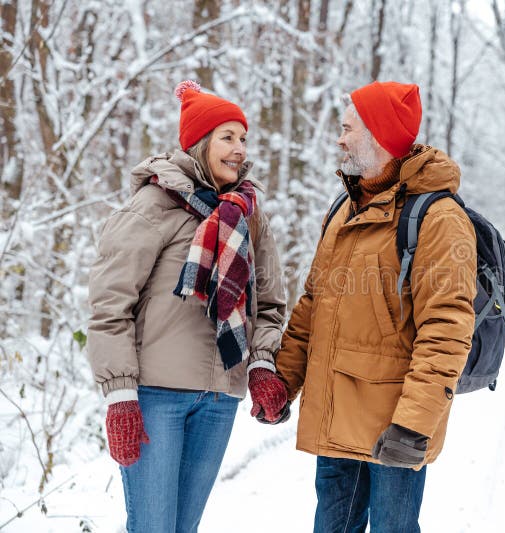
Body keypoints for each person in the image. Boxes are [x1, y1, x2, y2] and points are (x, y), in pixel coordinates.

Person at [257, 80, 478, 532]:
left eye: (348, 128)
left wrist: (414, 424)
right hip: (337, 417)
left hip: (394, 429)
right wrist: (284, 381)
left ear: (380, 134)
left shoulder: (438, 219)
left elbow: (447, 328)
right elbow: (313, 309)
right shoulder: (344, 208)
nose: (340, 138)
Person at [86, 80, 287, 532]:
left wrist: (261, 365)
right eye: (227, 137)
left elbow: (270, 304)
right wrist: (120, 394)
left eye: (243, 138)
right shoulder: (154, 206)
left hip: (220, 398)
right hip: (157, 397)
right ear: (199, 142)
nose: (239, 149)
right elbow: (109, 304)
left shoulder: (248, 215)